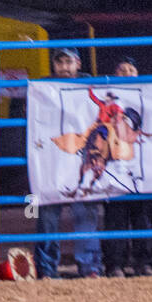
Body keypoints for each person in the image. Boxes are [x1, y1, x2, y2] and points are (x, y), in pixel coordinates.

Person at [36, 48, 102, 279]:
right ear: (54, 65)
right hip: (53, 159)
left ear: (77, 63)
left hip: (79, 157)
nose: (64, 67)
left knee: (85, 212)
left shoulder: (91, 86)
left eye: (68, 62)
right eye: (60, 62)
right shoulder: (42, 87)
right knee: (48, 215)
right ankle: (47, 268)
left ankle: (89, 267)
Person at [101, 56, 152, 276]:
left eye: (131, 70)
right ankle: (115, 264)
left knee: (144, 216)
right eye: (121, 70)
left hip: (141, 168)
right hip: (115, 169)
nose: (126, 73)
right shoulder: (107, 98)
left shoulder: (150, 95)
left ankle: (145, 262)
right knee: (115, 216)